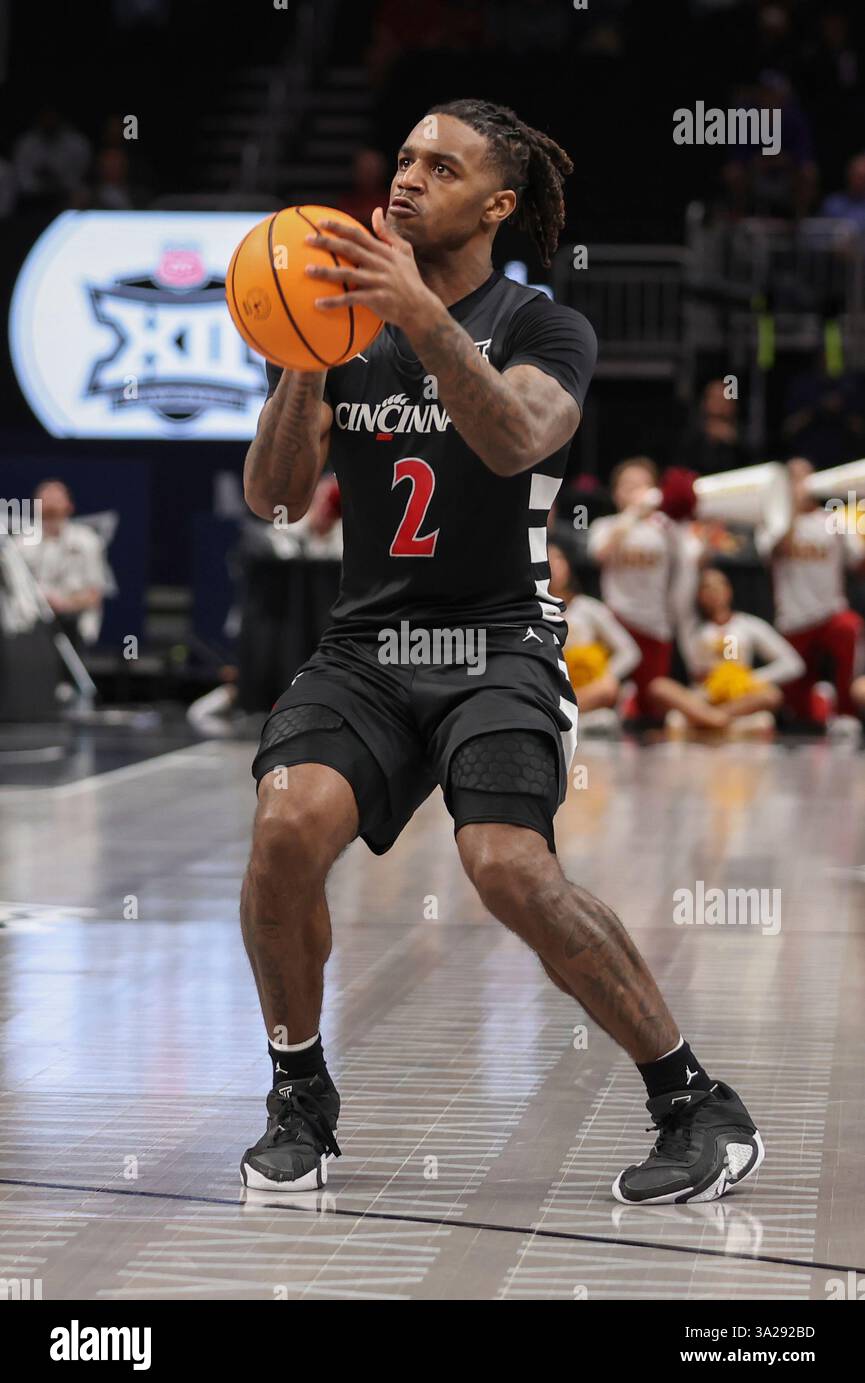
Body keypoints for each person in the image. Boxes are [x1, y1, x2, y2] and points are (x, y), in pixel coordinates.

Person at [240, 97, 764, 1206]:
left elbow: (517, 434)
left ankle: (692, 1101)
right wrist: (302, 347)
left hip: (498, 640)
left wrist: (419, 318)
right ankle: (299, 1091)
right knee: (285, 824)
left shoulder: (542, 326)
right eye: (404, 159)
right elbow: (277, 499)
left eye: (442, 165)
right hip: (367, 646)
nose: (407, 178)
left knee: (507, 869)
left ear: (499, 202)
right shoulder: (348, 331)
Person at [756, 458, 865, 729]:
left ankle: (847, 716)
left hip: (830, 612)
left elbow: (858, 562)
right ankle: (815, 707)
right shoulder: (771, 522)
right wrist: (790, 507)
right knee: (799, 713)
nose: (801, 485)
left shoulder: (835, 519)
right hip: (793, 619)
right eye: (793, 479)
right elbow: (777, 549)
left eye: (806, 477)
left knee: (850, 629)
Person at [587, 458, 686, 722]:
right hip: (616, 622)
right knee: (611, 697)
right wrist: (632, 513)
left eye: (642, 485)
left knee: (652, 704)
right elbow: (601, 552)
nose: (635, 492)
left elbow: (690, 560)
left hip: (655, 624)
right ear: (616, 492)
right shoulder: (604, 525)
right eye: (628, 486)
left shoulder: (666, 528)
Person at [650, 566, 804, 732]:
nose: (713, 592)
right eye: (706, 587)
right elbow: (679, 594)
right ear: (698, 595)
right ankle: (717, 719)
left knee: (772, 695)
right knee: (659, 686)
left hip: (739, 696)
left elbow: (793, 664)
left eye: (718, 585)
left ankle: (710, 718)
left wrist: (752, 679)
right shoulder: (691, 628)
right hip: (703, 693)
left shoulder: (748, 624)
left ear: (729, 591)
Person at [547, 538, 639, 715]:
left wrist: (605, 676)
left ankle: (560, 714)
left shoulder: (588, 608)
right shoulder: (533, 612)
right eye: (547, 560)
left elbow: (629, 652)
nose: (553, 566)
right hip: (552, 688)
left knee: (609, 687)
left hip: (589, 688)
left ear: (568, 565)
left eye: (558, 559)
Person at [15, 480, 109, 648]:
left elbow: (94, 595)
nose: (50, 511)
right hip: (29, 628)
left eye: (55, 506)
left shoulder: (88, 542)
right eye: (45, 507)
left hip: (73, 627)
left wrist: (63, 605)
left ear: (69, 507)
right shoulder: (20, 545)